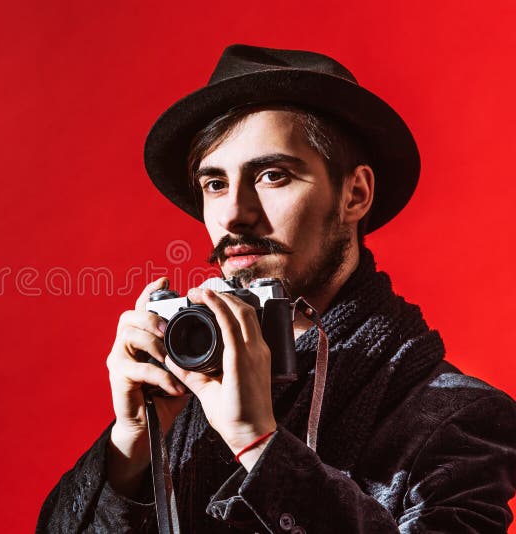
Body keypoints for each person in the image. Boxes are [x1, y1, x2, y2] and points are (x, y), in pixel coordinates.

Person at [37, 45, 516, 533]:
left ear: (355, 194)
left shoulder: (459, 418)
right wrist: (131, 449)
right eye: (215, 184)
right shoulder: (186, 376)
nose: (234, 214)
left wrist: (258, 443)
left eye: (272, 175)